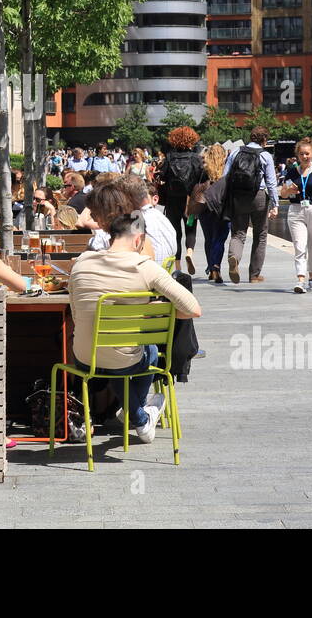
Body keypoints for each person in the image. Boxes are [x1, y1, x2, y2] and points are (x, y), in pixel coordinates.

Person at [68, 212, 202, 443]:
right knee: (143, 348)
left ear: (111, 236)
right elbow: (193, 308)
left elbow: (74, 312)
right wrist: (158, 313)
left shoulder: (81, 262)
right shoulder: (144, 267)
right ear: (139, 240)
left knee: (117, 348)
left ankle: (137, 415)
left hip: (83, 357)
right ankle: (137, 416)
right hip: (124, 360)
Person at [222, 127, 279, 283]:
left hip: (238, 197)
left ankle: (234, 257)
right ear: (264, 140)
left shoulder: (236, 152)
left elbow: (225, 176)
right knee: (260, 235)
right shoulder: (265, 155)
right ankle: (254, 275)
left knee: (238, 233)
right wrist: (275, 204)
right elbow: (271, 183)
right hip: (258, 197)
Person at [280, 138, 312, 294]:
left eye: (307, 153)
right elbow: (282, 193)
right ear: (297, 155)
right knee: (299, 246)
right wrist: (289, 191)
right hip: (296, 210)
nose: (305, 156)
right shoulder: (291, 171)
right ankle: (300, 280)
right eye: (302, 154)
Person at [158, 126, 204, 272]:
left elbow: (162, 176)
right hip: (189, 200)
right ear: (192, 140)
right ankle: (189, 252)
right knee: (190, 228)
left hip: (172, 200)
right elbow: (202, 177)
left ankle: (177, 266)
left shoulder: (169, 157)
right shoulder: (195, 158)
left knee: (175, 232)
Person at [197, 143, 231, 284]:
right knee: (220, 239)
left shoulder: (203, 170)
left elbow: (197, 188)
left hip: (205, 207)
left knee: (208, 238)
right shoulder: (227, 170)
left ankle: (211, 269)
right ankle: (216, 266)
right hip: (223, 207)